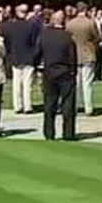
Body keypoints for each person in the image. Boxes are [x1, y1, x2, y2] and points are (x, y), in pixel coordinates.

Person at [37, 9, 78, 141]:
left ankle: (49, 133)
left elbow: (37, 53)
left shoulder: (44, 35)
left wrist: (38, 66)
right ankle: (68, 133)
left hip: (49, 72)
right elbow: (73, 57)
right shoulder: (68, 37)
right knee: (68, 104)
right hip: (65, 72)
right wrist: (73, 71)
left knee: (49, 104)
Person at [66, 4, 102, 116]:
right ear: (85, 10)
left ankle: (76, 106)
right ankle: (88, 108)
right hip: (88, 54)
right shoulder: (90, 22)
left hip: (74, 55)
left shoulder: (70, 24)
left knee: (76, 83)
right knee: (87, 83)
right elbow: (97, 37)